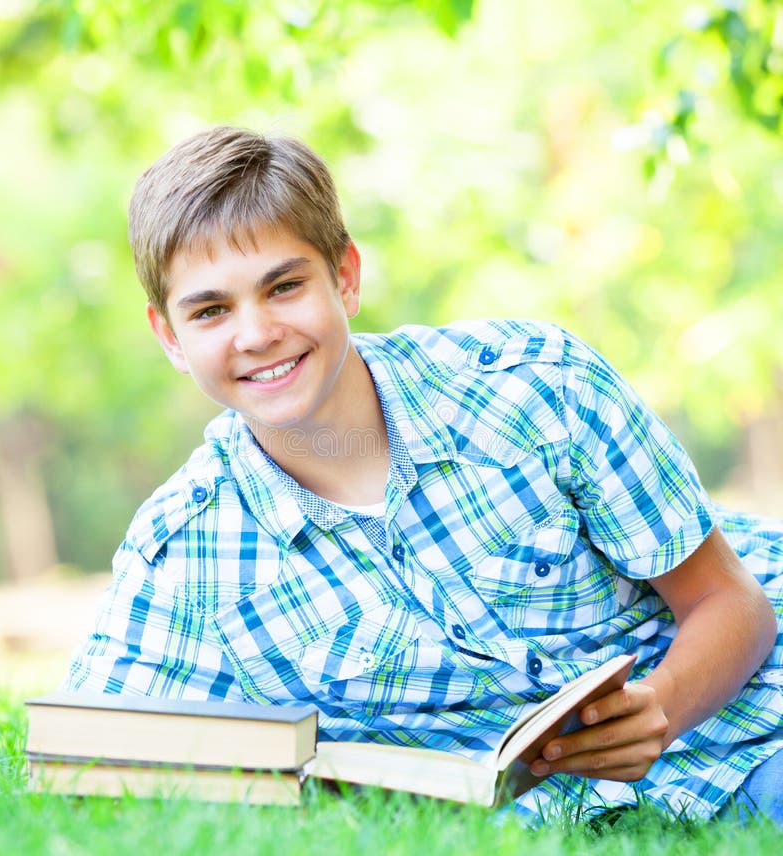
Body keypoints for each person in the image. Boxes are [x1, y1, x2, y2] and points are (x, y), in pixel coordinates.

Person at [64, 125, 783, 825]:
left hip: (746, 729)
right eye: (212, 310)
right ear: (171, 337)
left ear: (344, 278)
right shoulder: (185, 554)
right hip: (539, 822)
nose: (255, 335)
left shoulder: (537, 387)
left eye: (283, 287)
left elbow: (732, 602)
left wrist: (663, 704)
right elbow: (83, 759)